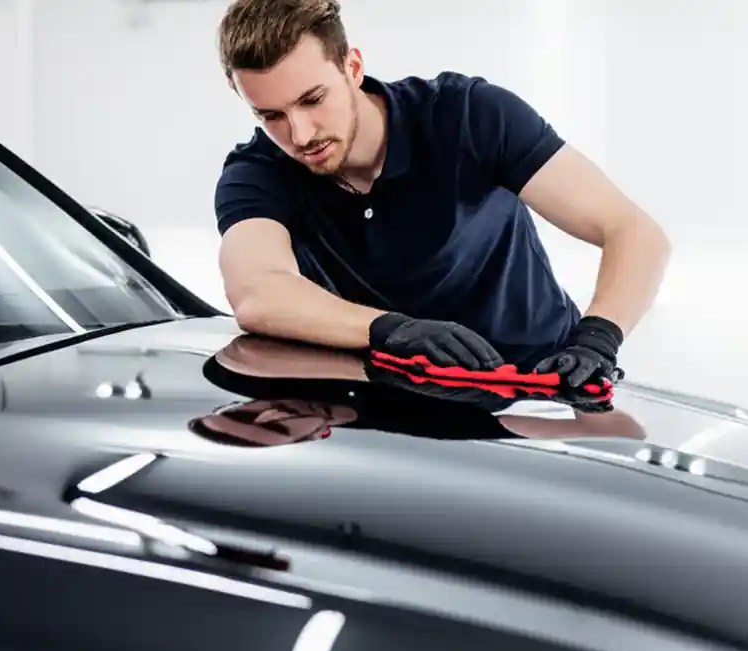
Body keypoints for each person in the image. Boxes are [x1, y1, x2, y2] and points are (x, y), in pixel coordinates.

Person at [212, 0, 670, 389]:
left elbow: (633, 231)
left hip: (547, 386)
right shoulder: (258, 173)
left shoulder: (469, 115)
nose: (300, 133)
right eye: (270, 116)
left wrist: (599, 338)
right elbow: (258, 293)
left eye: (313, 99)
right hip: (398, 410)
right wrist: (390, 329)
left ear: (352, 67)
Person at [189, 334, 648, 445]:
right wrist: (587, 389)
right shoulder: (426, 427)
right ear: (315, 438)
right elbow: (620, 435)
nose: (269, 414)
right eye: (271, 430)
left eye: (244, 413)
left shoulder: (279, 359)